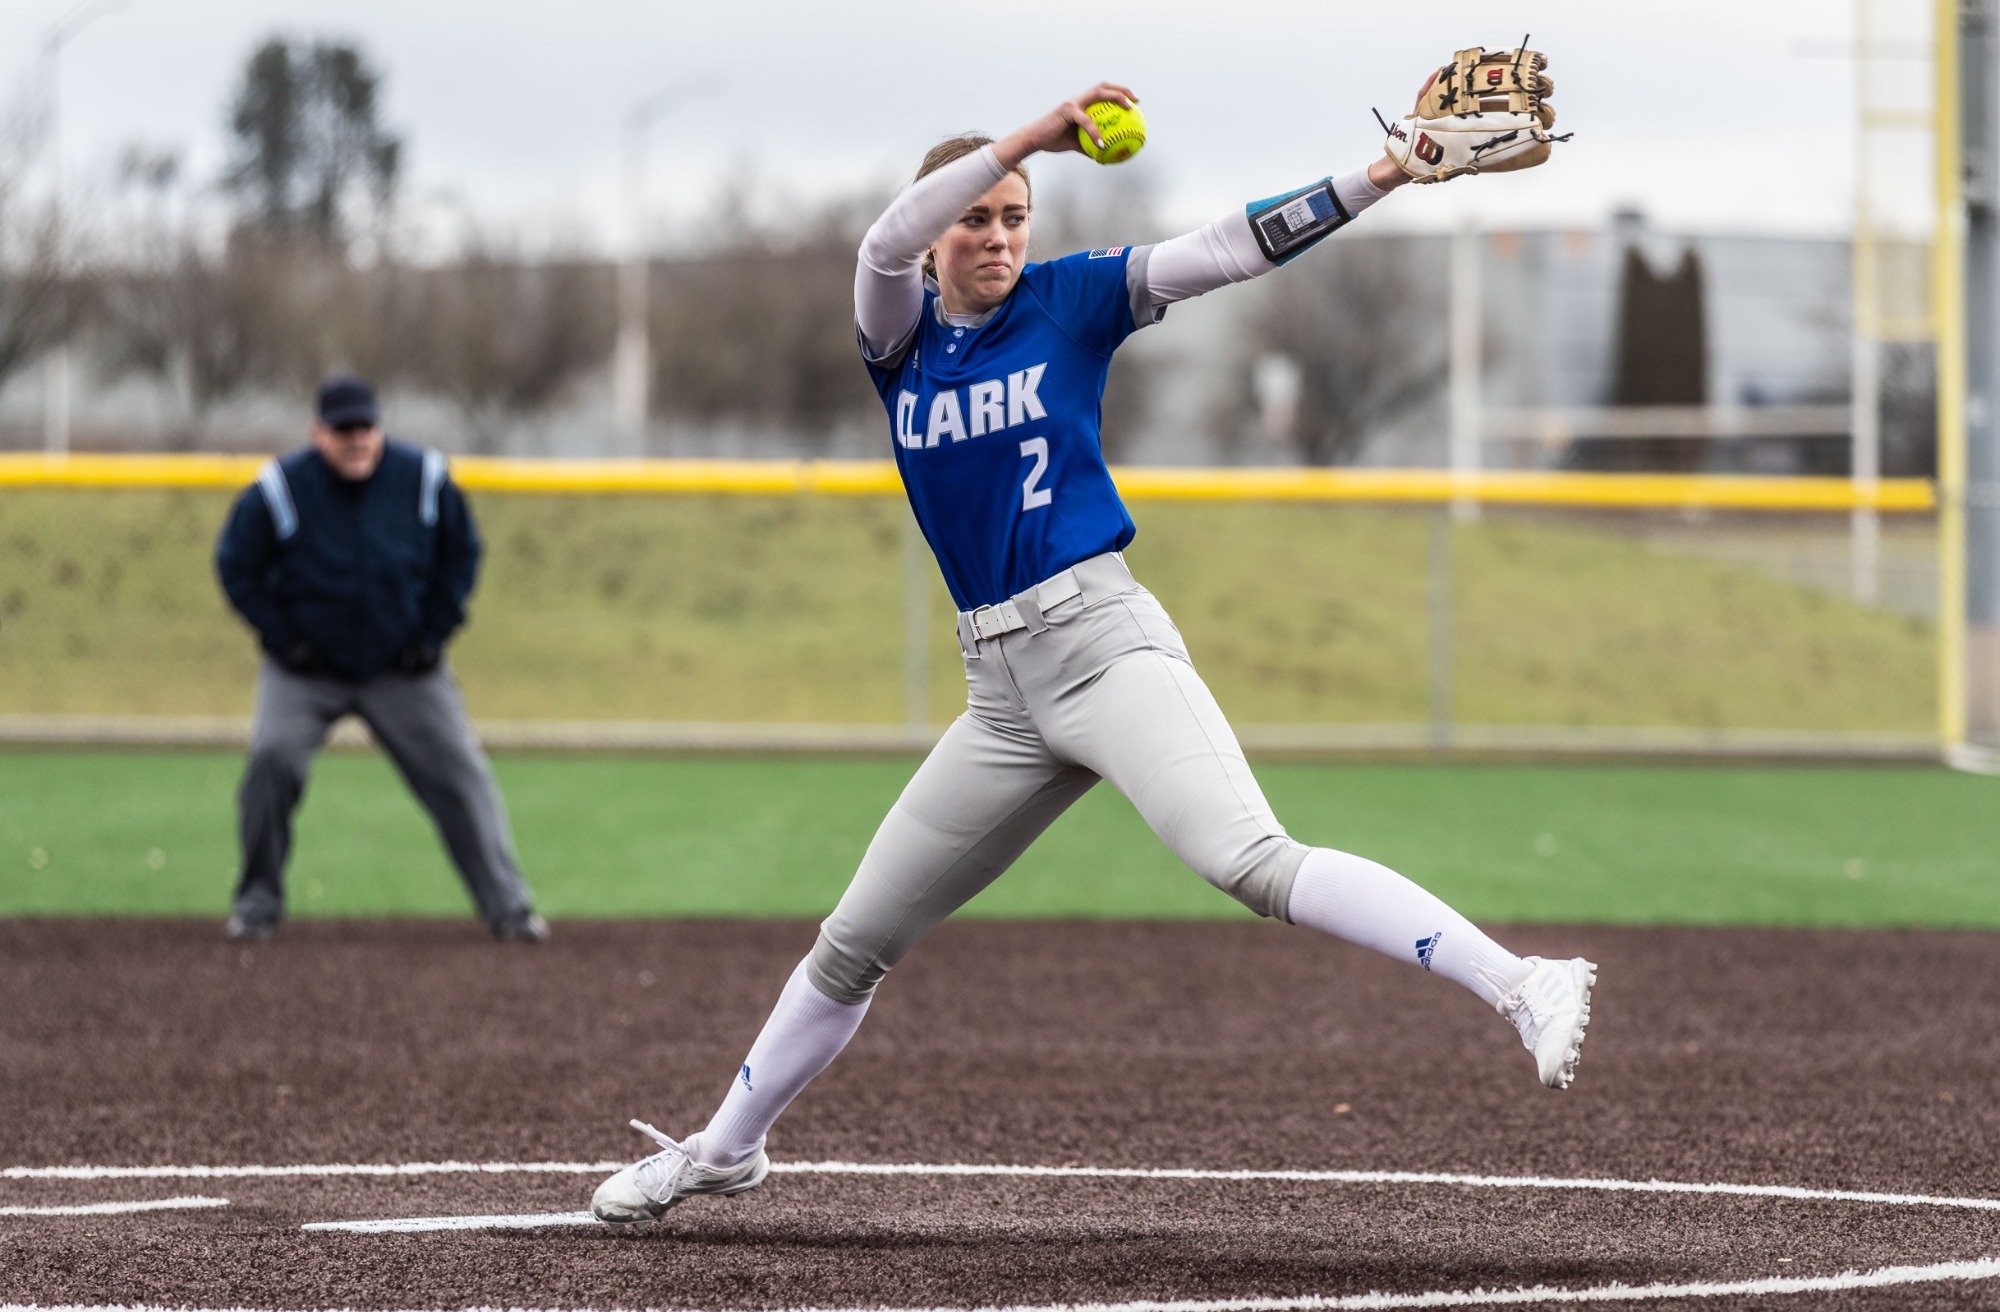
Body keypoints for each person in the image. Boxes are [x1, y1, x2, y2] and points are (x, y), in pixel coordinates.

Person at [592, 74, 1591, 1226]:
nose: (1001, 235)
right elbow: (879, 238)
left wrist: (1376, 175)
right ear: (935, 239)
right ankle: (722, 1149)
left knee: (1249, 861)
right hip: (1001, 696)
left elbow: (1225, 250)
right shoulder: (895, 337)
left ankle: (1521, 982)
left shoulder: (1068, 303)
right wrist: (1027, 141)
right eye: (978, 217)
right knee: (855, 939)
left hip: (1101, 646)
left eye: (1017, 215)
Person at [214, 374, 547, 944]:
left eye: (366, 427)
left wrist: (433, 634)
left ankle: (510, 909)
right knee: (272, 759)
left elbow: (461, 555)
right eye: (343, 429)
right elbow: (236, 565)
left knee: (460, 774)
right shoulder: (280, 488)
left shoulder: (423, 479)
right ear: (318, 432)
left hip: (403, 669)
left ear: (379, 427)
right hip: (306, 670)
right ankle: (257, 905)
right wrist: (281, 636)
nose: (357, 439)